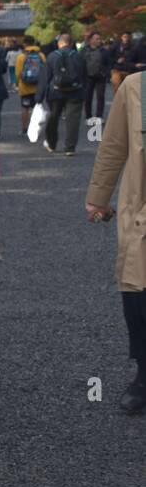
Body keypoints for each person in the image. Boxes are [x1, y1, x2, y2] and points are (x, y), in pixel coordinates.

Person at [86, 70, 146, 413]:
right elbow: (114, 145)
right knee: (137, 292)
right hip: (141, 207)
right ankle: (144, 371)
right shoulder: (136, 87)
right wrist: (98, 195)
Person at [39, 32, 86, 156]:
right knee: (73, 120)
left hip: (55, 92)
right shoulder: (78, 56)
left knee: (53, 118)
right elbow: (83, 75)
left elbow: (45, 77)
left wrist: (40, 96)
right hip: (75, 92)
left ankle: (52, 144)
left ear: (59, 43)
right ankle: (70, 147)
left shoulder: (51, 56)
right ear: (71, 43)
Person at [15, 36, 45, 137]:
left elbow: (18, 73)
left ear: (24, 44)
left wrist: (17, 83)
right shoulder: (41, 55)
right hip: (38, 87)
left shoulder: (21, 57)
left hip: (25, 87)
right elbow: (44, 70)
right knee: (36, 108)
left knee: (25, 108)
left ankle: (24, 129)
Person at [83, 31, 109, 121]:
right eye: (96, 39)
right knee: (87, 97)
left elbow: (108, 63)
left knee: (100, 97)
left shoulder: (104, 50)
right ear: (91, 40)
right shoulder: (84, 50)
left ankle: (99, 116)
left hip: (100, 77)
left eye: (99, 39)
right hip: (88, 77)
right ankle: (88, 117)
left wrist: (105, 73)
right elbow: (80, 63)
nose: (99, 40)